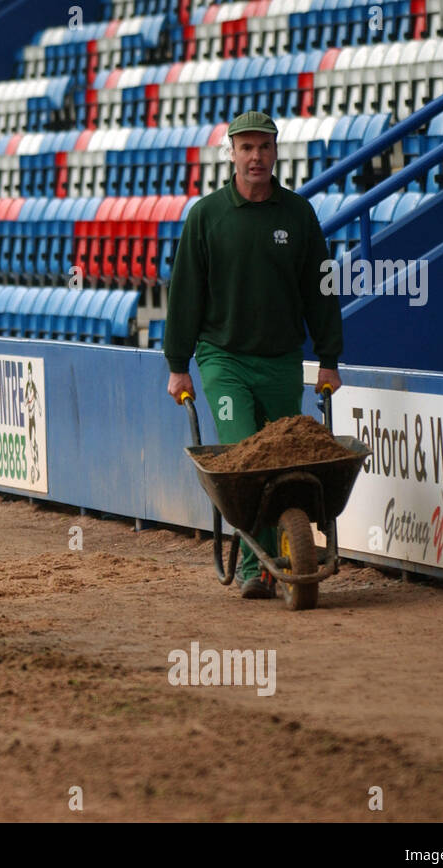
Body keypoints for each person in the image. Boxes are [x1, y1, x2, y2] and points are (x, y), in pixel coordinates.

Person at [162, 111, 344, 599]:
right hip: (224, 359)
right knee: (244, 457)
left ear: (275, 152)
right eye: (246, 148)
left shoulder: (297, 214)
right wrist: (178, 365)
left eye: (264, 147)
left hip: (282, 359)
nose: (255, 156)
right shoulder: (207, 215)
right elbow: (185, 295)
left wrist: (329, 357)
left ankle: (283, 548)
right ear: (233, 155)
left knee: (283, 465)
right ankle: (251, 566)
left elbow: (321, 290)